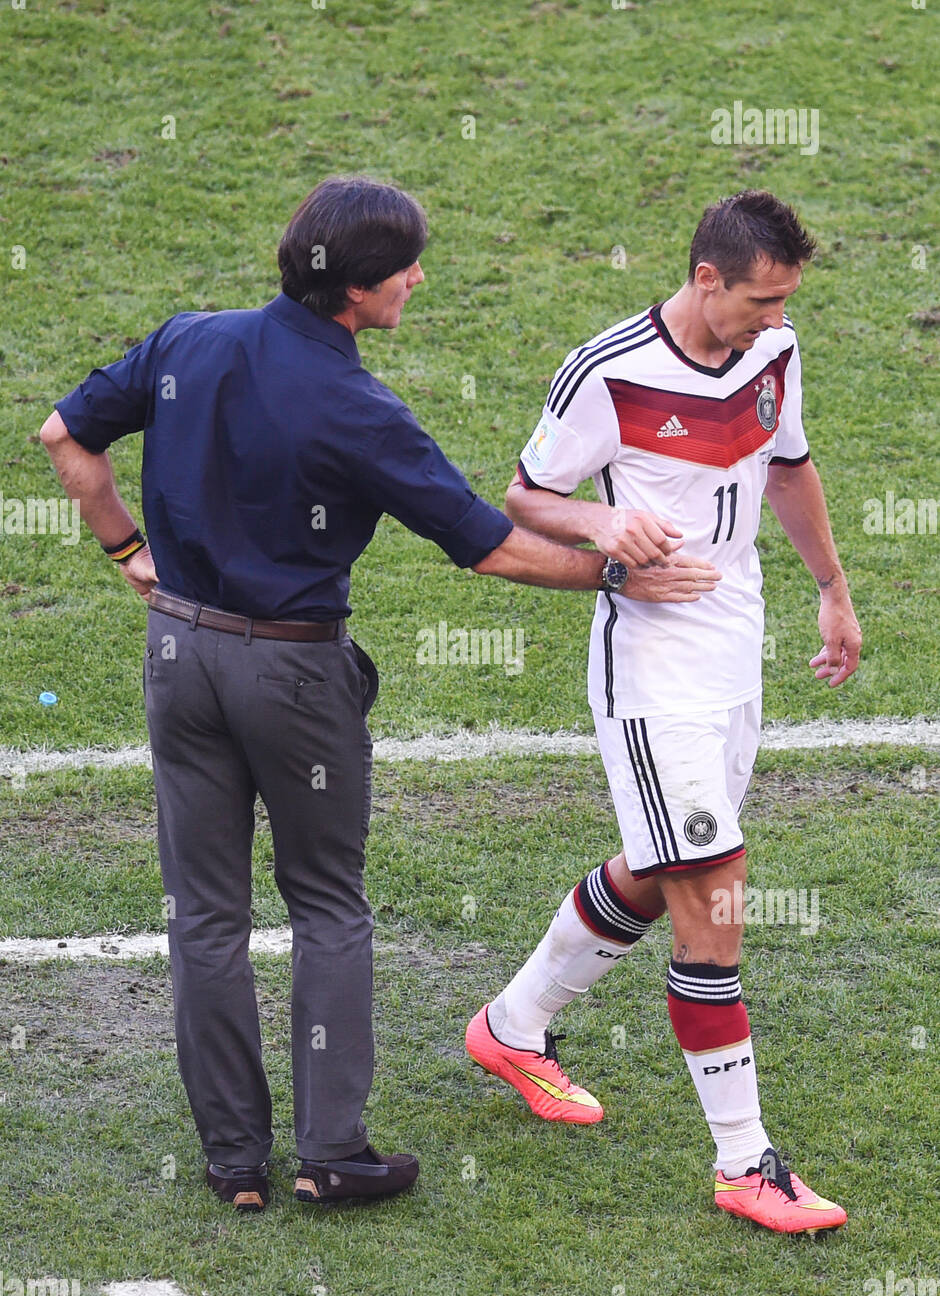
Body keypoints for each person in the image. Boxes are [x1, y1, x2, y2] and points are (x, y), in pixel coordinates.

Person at [39, 176, 719, 1213]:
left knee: (206, 916)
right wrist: (617, 572)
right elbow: (489, 548)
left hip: (178, 655)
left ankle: (232, 1161)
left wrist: (125, 548)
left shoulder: (188, 340)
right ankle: (330, 1153)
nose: (416, 278)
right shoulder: (357, 408)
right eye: (404, 267)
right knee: (327, 906)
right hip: (292, 675)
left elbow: (64, 437)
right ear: (356, 292)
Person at [466, 189, 862, 1234]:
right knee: (714, 884)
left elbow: (787, 464)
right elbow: (524, 495)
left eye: (784, 302)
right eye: (759, 300)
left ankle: (514, 1026)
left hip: (734, 633)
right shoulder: (610, 371)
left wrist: (830, 586)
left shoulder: (773, 351)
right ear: (704, 280)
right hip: (650, 660)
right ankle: (744, 1162)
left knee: (669, 860)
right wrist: (602, 519)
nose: (774, 319)